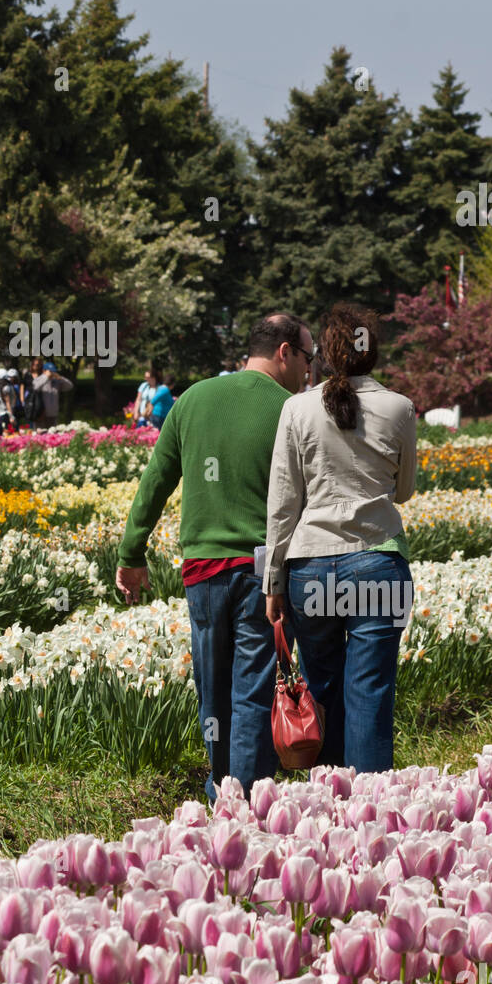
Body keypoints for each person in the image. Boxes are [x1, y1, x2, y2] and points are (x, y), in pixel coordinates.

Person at [115, 311, 313, 802]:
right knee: (252, 689)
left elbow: (155, 482)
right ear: (284, 352)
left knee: (212, 690)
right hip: (261, 571)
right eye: (308, 358)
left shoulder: (192, 401)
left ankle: (221, 789)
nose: (310, 371)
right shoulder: (291, 409)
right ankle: (245, 798)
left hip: (201, 571)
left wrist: (131, 553)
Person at [264, 305, 417, 774]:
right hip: (377, 563)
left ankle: (328, 809)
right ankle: (371, 811)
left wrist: (273, 580)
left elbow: (283, 502)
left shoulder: (297, 408)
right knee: (370, 690)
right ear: (372, 350)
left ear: (326, 355)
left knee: (322, 688)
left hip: (311, 567)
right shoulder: (399, 407)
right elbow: (405, 491)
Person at [30, 361, 72, 429]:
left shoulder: (56, 382)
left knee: (53, 436)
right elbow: (35, 387)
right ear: (44, 371)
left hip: (53, 414)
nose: (52, 373)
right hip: (41, 415)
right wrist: (46, 377)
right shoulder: (39, 379)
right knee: (40, 436)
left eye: (53, 371)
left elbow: (70, 386)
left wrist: (60, 378)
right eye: (50, 371)